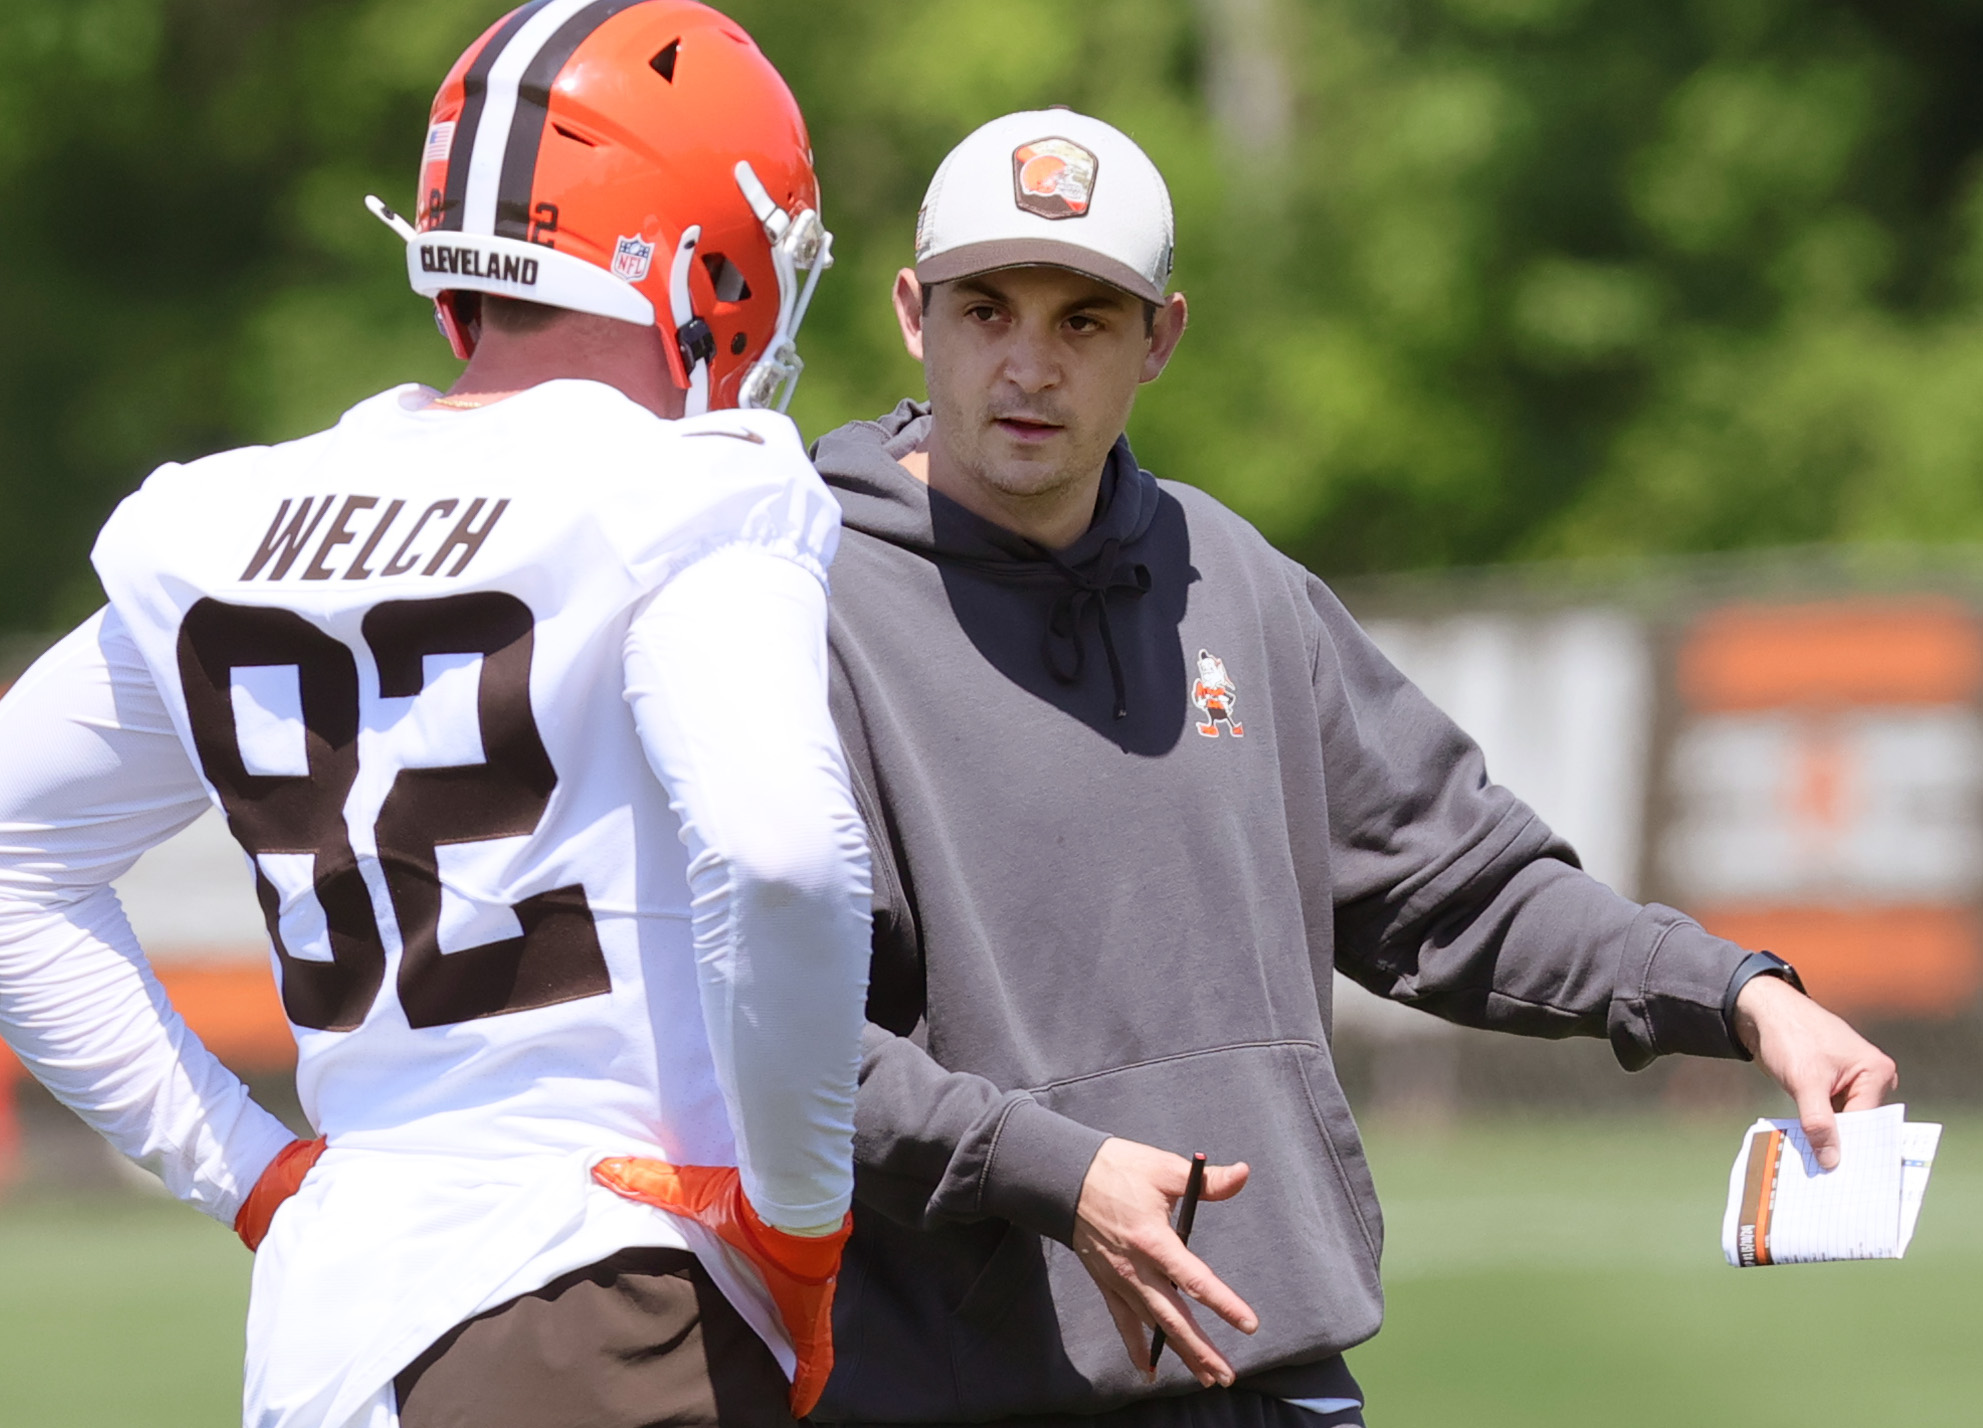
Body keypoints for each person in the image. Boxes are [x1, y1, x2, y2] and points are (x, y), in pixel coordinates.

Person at [806, 109, 1899, 1426]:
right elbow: (772, 1037)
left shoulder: (1239, 586)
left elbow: (1467, 891)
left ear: (1161, 339)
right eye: (989, 310)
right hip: (967, 1393)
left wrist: (1739, 995)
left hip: (1278, 1380)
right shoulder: (799, 605)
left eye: (1085, 319)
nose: (1029, 364)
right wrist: (1046, 1168)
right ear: (913, 315)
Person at [0, 4, 870, 1425]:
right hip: (603, 1288)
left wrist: (244, 1164)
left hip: (326, 1333)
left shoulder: (240, 518)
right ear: (702, 265)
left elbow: (10, 850)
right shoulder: (694, 491)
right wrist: (801, 1226)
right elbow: (782, 858)